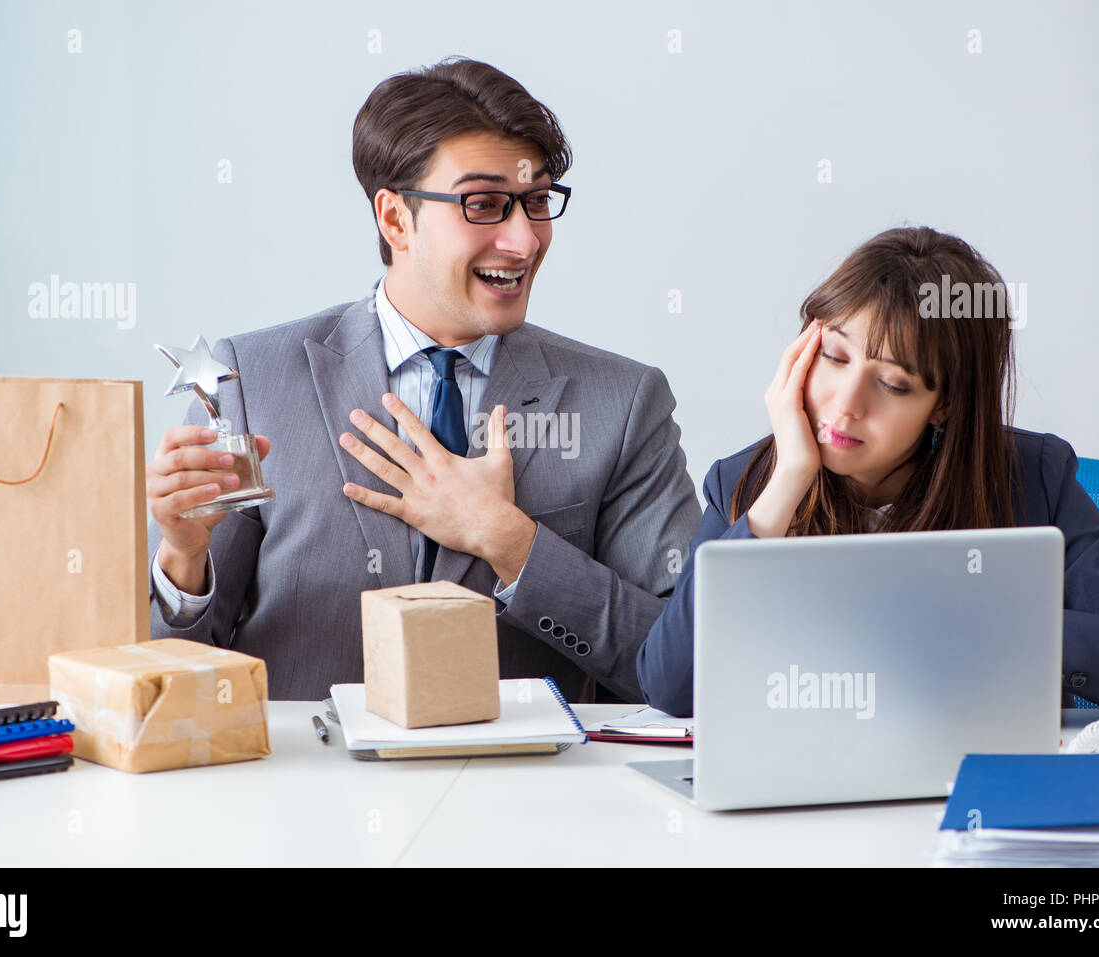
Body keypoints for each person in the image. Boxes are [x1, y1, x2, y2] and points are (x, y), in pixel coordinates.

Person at [146, 57, 702, 702]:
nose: (526, 240)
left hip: (529, 797)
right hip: (304, 794)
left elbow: (682, 669)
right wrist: (182, 559)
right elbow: (170, 672)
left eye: (538, 201)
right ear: (395, 220)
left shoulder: (623, 404)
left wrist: (509, 540)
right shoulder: (253, 383)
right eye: (485, 205)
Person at [637, 226, 1099, 723]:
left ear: (944, 405)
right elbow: (672, 686)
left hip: (976, 783)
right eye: (833, 357)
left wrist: (1004, 626)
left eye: (893, 384)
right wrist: (787, 483)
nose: (845, 405)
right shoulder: (748, 484)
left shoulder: (1032, 478)